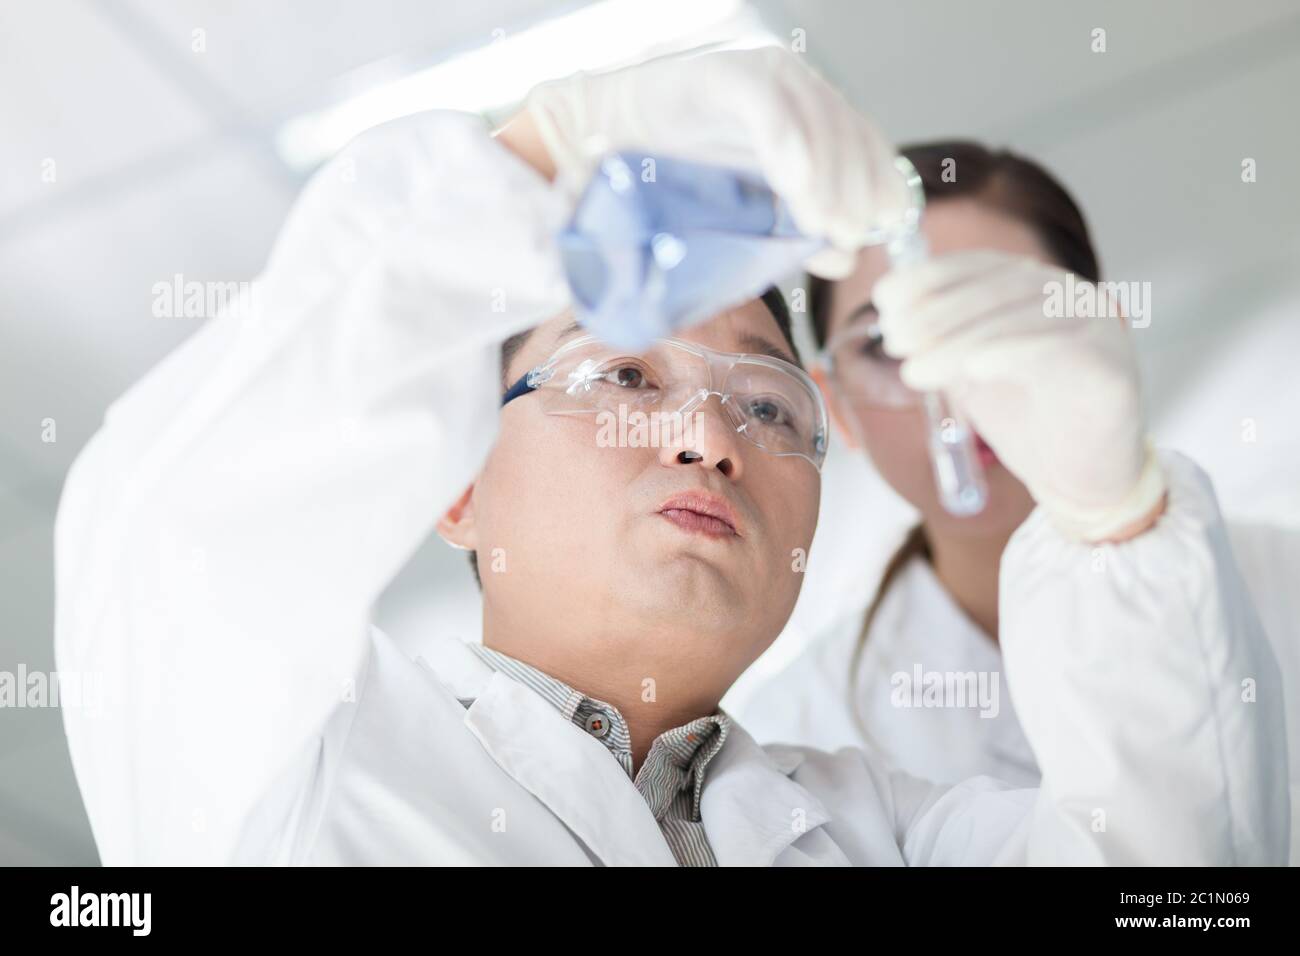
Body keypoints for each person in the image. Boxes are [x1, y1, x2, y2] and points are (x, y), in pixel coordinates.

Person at [54, 49, 1285, 865]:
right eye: (625, 376)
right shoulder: (298, 762)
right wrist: (537, 160)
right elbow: (174, 536)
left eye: (766, 402)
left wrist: (1114, 519)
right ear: (456, 482)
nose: (705, 434)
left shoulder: (878, 831)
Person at [737, 141, 1299, 860]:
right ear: (838, 407)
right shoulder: (801, 720)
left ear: (1105, 341)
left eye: (1003, 321)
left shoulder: (1285, 581)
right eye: (885, 343)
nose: (957, 387)